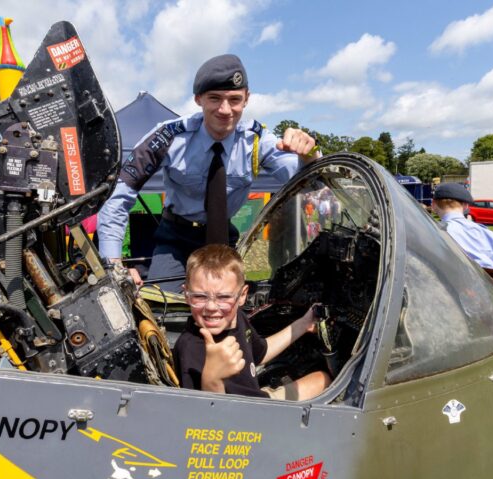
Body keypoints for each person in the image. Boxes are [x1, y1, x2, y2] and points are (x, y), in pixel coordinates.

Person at [97, 54, 321, 292]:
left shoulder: (257, 141)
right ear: (198, 99)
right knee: (159, 308)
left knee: (231, 310)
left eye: (234, 99)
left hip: (223, 239)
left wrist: (309, 156)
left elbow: (306, 182)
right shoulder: (168, 136)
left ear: (246, 99)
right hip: (174, 239)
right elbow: (120, 192)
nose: (225, 110)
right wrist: (112, 265)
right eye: (215, 99)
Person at [173, 244, 331, 400]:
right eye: (200, 296)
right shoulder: (190, 349)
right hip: (248, 417)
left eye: (224, 297)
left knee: (323, 379)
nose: (211, 307)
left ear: (242, 296)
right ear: (186, 294)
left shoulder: (237, 318)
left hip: (257, 398)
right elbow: (208, 419)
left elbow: (261, 353)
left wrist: (304, 324)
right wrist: (212, 379)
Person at [432, 183, 493, 277]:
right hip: (488, 287)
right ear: (466, 206)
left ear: (433, 204)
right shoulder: (486, 233)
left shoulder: (434, 231)